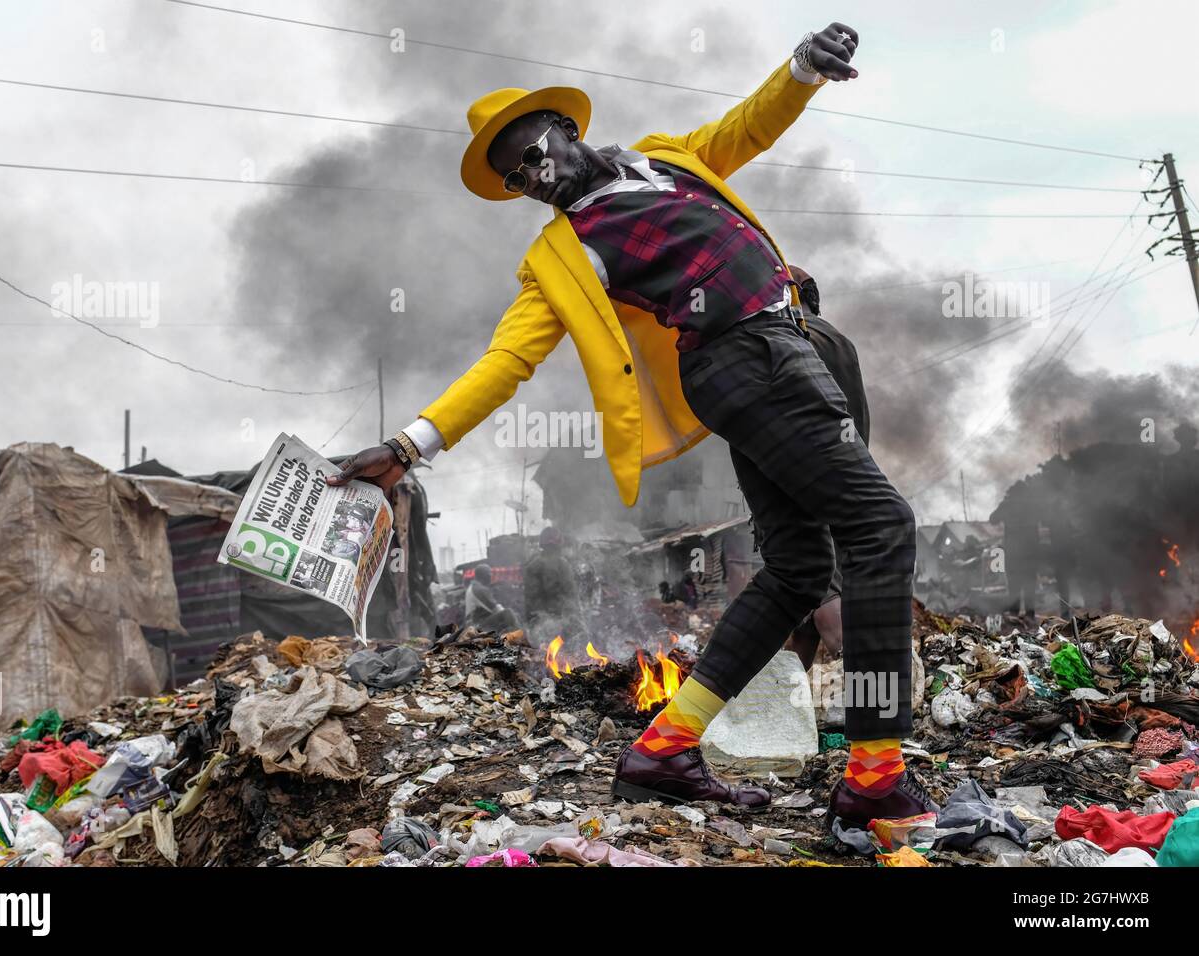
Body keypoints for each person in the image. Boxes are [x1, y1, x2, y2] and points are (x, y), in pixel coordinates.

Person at [330, 21, 931, 826]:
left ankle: (663, 749)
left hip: (780, 347)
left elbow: (746, 125)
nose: (531, 180)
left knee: (794, 565)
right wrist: (411, 444)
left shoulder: (665, 156)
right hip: (744, 362)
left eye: (531, 157)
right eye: (515, 180)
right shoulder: (561, 254)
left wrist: (800, 72)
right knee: (882, 525)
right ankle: (874, 774)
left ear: (564, 130)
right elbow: (504, 362)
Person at [781, 266, 869, 669]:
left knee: (823, 592)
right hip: (848, 479)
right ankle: (784, 700)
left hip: (806, 487)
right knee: (807, 604)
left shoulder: (792, 337)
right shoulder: (840, 339)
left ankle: (876, 691)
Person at [522, 526, 581, 636]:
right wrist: (579, 620)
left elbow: (528, 601)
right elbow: (572, 596)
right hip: (559, 623)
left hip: (537, 624)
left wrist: (530, 624)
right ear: (559, 544)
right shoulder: (563, 565)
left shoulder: (532, 565)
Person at [463, 564, 519, 634]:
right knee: (508, 613)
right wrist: (513, 617)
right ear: (484, 575)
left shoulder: (473, 587)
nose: (491, 577)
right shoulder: (479, 589)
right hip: (476, 627)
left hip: (474, 624)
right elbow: (496, 609)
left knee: (509, 617)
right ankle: (519, 637)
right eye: (489, 574)